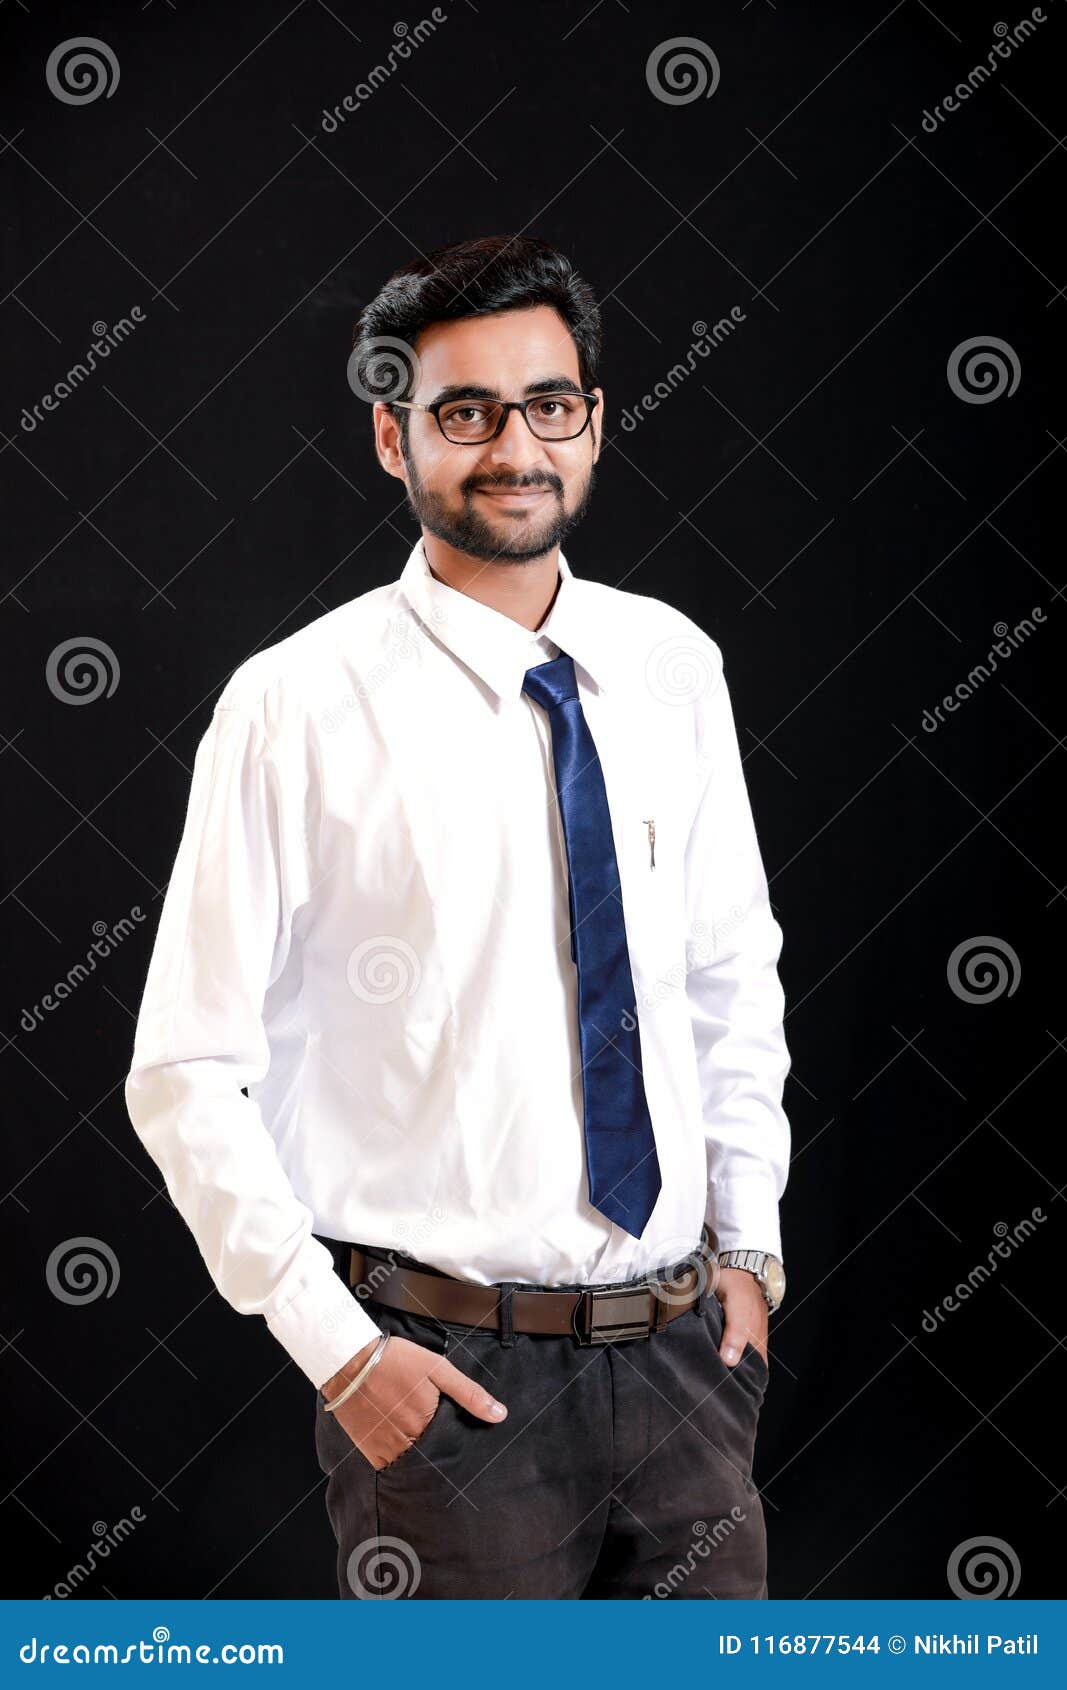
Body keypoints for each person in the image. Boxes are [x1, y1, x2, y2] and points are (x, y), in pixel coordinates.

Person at [125, 233, 791, 1600]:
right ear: (394, 436)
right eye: (465, 412)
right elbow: (184, 1071)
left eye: (549, 404)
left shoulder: (674, 665)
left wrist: (754, 1251)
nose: (515, 447)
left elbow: (730, 972)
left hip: (687, 1363)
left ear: (593, 423)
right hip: (448, 1395)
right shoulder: (293, 706)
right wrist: (340, 1349)